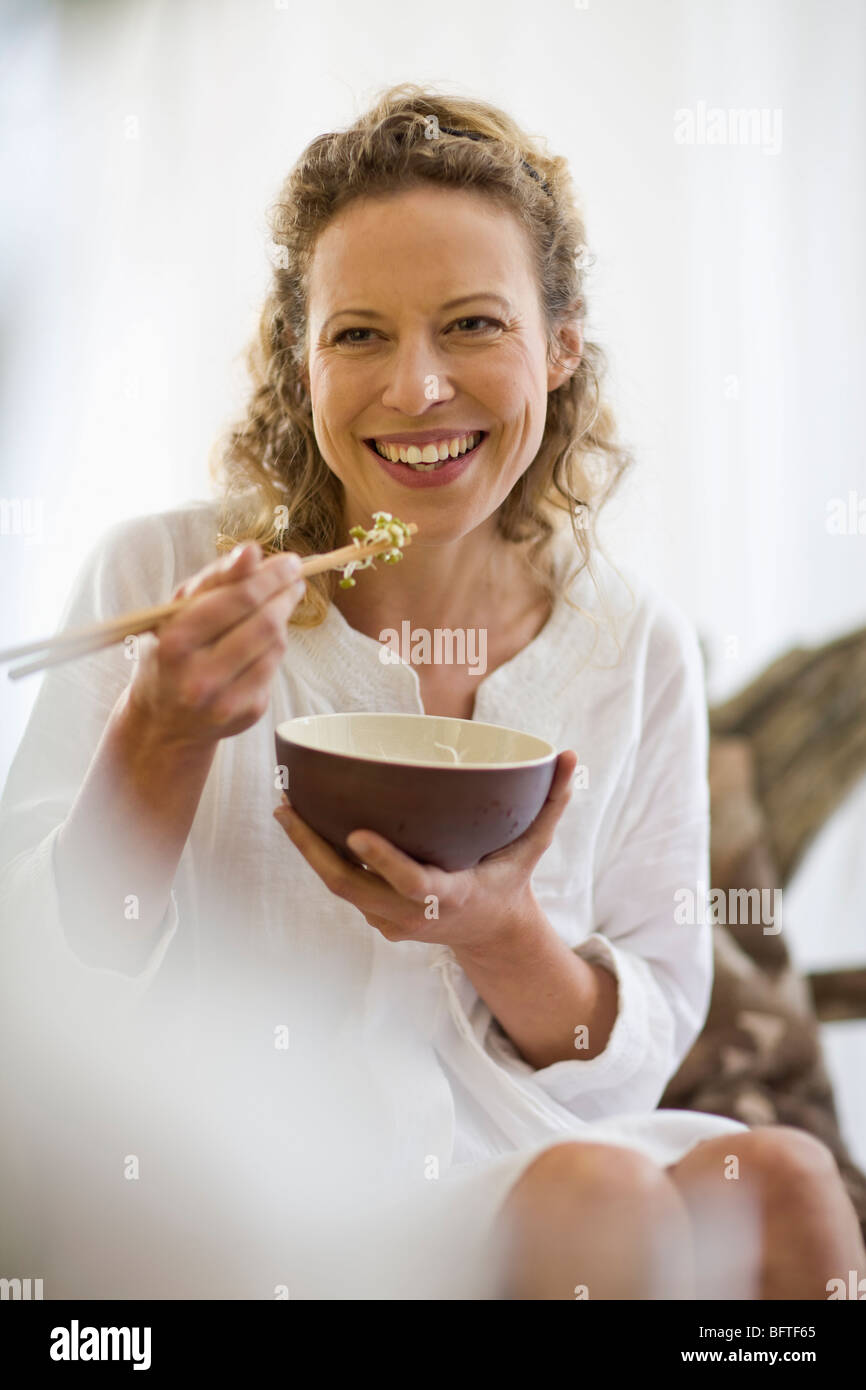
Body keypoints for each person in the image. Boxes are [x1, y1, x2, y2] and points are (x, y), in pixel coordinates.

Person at [1, 83, 863, 1301]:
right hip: (238, 1191)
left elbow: (621, 1050)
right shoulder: (163, 581)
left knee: (784, 1185)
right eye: (357, 334)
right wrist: (162, 729)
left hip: (501, 1141)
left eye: (469, 325)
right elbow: (42, 981)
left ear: (559, 347)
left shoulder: (631, 647)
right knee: (599, 1197)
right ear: (297, 359)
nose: (414, 390)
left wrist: (497, 933)